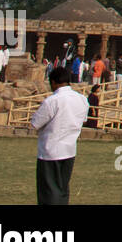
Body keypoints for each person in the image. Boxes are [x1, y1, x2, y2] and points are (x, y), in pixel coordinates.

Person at [30, 66, 89, 204]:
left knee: (49, 191)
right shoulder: (81, 99)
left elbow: (35, 123)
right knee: (62, 189)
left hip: (50, 151)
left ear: (54, 82)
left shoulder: (52, 100)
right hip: (69, 150)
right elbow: (83, 119)